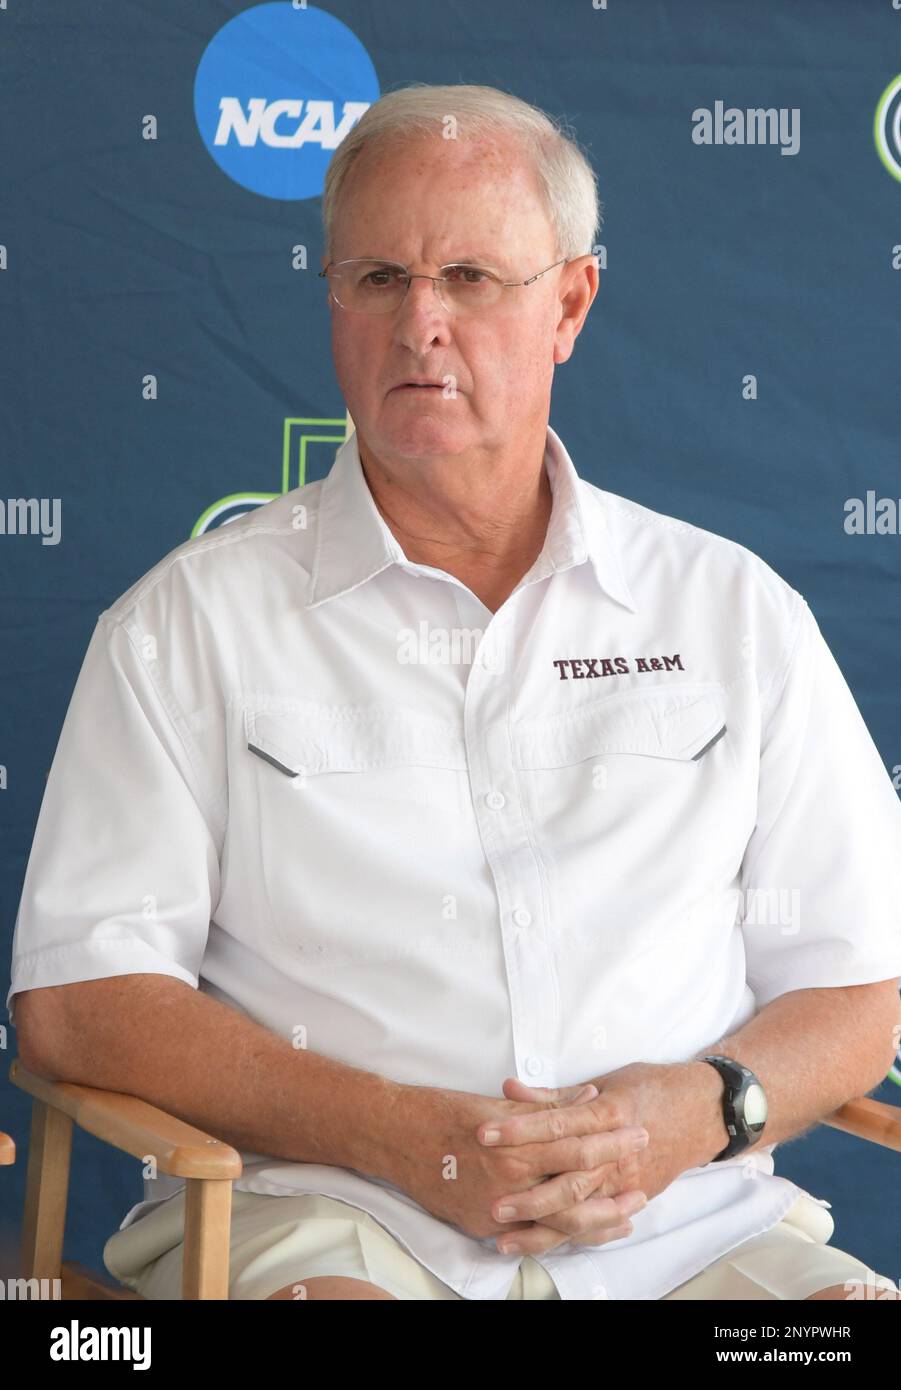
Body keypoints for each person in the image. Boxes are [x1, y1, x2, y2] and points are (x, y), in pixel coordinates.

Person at [8, 83, 901, 1301]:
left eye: (472, 277)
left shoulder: (733, 612)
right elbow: (80, 1004)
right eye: (377, 277)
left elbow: (859, 982)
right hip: (326, 1220)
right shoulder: (187, 625)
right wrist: (402, 1137)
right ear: (330, 294)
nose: (419, 322)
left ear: (569, 303)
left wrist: (697, 1111)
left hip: (687, 1232)